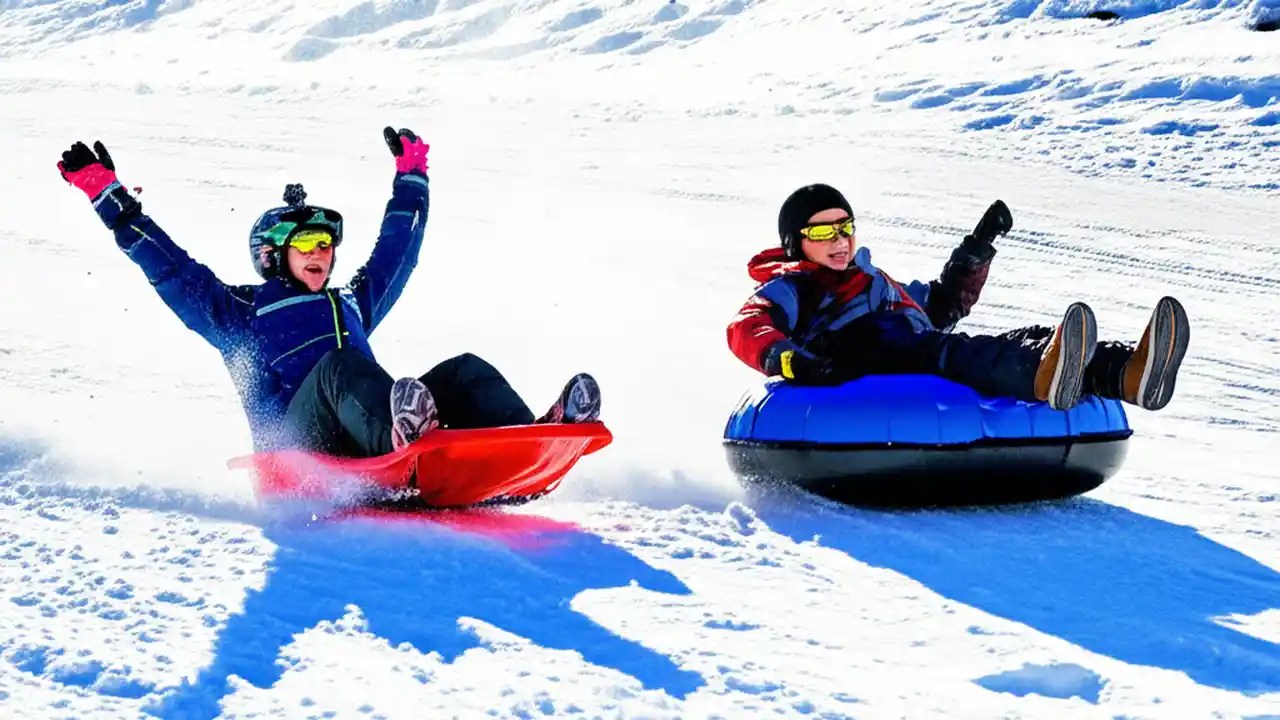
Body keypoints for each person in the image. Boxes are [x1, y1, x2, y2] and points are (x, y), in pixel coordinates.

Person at [57, 127, 601, 458]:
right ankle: (403, 438)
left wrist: (412, 178)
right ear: (273, 255)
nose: (322, 253)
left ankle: (530, 436)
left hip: (371, 433)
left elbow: (397, 254)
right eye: (308, 243)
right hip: (299, 453)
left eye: (327, 243)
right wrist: (107, 195)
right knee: (339, 368)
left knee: (462, 368)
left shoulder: (349, 305)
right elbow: (171, 269)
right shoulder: (239, 314)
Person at [726, 183, 1189, 411]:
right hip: (856, 360)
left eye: (845, 226)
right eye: (824, 230)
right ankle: (1045, 379)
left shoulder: (873, 281)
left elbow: (940, 307)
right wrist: (790, 361)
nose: (840, 238)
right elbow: (748, 329)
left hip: (909, 345)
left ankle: (1125, 373)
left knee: (1030, 336)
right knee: (952, 352)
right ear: (795, 241)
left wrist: (977, 247)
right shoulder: (791, 285)